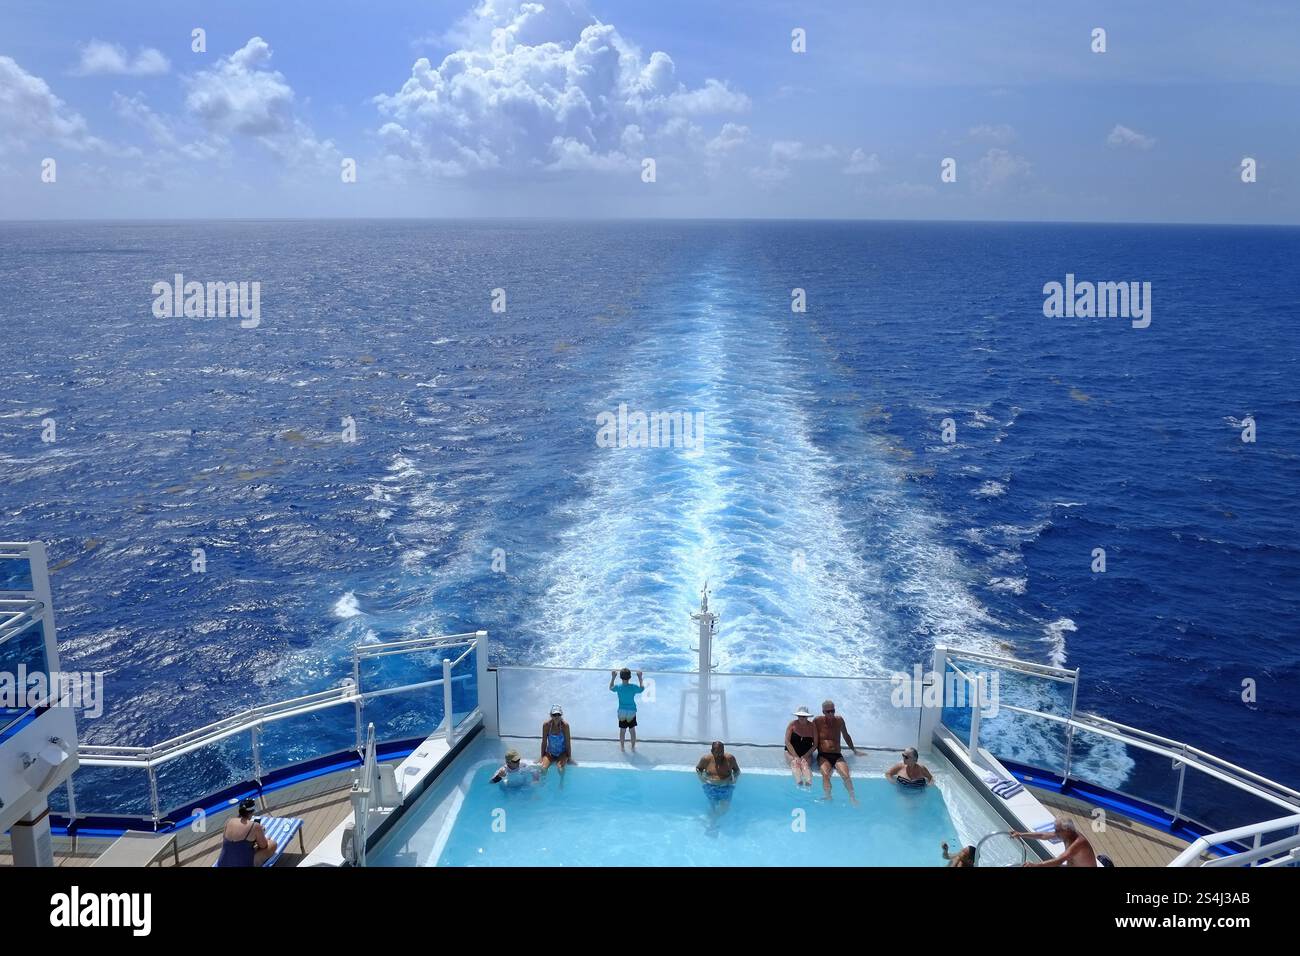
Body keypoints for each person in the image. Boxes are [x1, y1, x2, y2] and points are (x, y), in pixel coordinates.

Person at [813, 699, 863, 802]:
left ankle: (853, 798)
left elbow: (846, 735)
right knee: (826, 775)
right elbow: (810, 736)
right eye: (828, 711)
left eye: (833, 710)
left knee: (846, 775)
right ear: (823, 712)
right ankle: (828, 797)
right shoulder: (817, 721)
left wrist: (854, 750)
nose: (831, 713)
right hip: (823, 755)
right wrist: (805, 754)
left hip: (837, 755)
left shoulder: (839, 720)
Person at [1009, 818, 1100, 867]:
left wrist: (1036, 865)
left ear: (1067, 831)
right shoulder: (1067, 834)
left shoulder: (1079, 843)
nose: (1055, 833)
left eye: (1057, 831)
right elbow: (1043, 835)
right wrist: (1020, 834)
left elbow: (1059, 860)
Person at [215, 797, 278, 867]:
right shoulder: (255, 826)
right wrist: (261, 833)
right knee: (272, 844)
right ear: (252, 811)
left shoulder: (229, 821)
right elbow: (263, 846)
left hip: (222, 864)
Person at [696, 740, 741, 830]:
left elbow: (737, 771)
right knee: (712, 806)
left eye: (722, 752)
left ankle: (712, 821)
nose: (720, 755)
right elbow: (698, 769)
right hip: (710, 787)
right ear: (712, 751)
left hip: (726, 787)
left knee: (725, 808)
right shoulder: (706, 759)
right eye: (717, 752)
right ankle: (713, 823)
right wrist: (702, 778)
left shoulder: (730, 759)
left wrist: (734, 778)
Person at [609, 667, 645, 752]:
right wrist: (640, 678)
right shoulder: (633, 687)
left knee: (622, 730)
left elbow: (611, 687)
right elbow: (642, 689)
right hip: (631, 712)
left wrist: (613, 677)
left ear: (620, 677)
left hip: (621, 712)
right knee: (632, 730)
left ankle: (622, 747)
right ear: (630, 677)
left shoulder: (618, 687)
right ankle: (632, 747)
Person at [784, 705, 817, 787]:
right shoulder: (792, 724)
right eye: (800, 716)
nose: (801, 718)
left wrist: (805, 756)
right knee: (795, 763)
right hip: (791, 752)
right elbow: (787, 742)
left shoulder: (813, 726)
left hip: (806, 753)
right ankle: (799, 783)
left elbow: (815, 745)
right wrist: (795, 756)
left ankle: (809, 784)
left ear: (807, 717)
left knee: (805, 764)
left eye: (804, 716)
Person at [539, 704, 573, 778]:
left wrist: (570, 757)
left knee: (560, 767)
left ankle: (561, 783)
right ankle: (542, 783)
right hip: (550, 753)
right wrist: (541, 756)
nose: (557, 716)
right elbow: (544, 741)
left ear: (561, 715)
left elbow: (568, 742)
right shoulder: (546, 725)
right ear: (551, 715)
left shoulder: (565, 726)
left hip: (562, 753)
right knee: (543, 768)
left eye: (558, 714)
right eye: (554, 714)